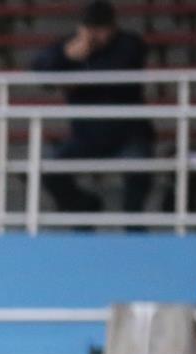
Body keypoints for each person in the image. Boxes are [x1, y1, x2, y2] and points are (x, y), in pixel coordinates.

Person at [31, 1, 154, 215]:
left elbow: (120, 66)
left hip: (128, 135)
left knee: (139, 171)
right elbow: (39, 69)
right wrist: (65, 57)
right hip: (86, 137)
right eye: (90, 29)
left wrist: (76, 73)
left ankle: (133, 224)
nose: (95, 35)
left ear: (113, 26)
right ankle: (85, 206)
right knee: (49, 170)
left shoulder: (129, 43)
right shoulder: (71, 46)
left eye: (100, 29)